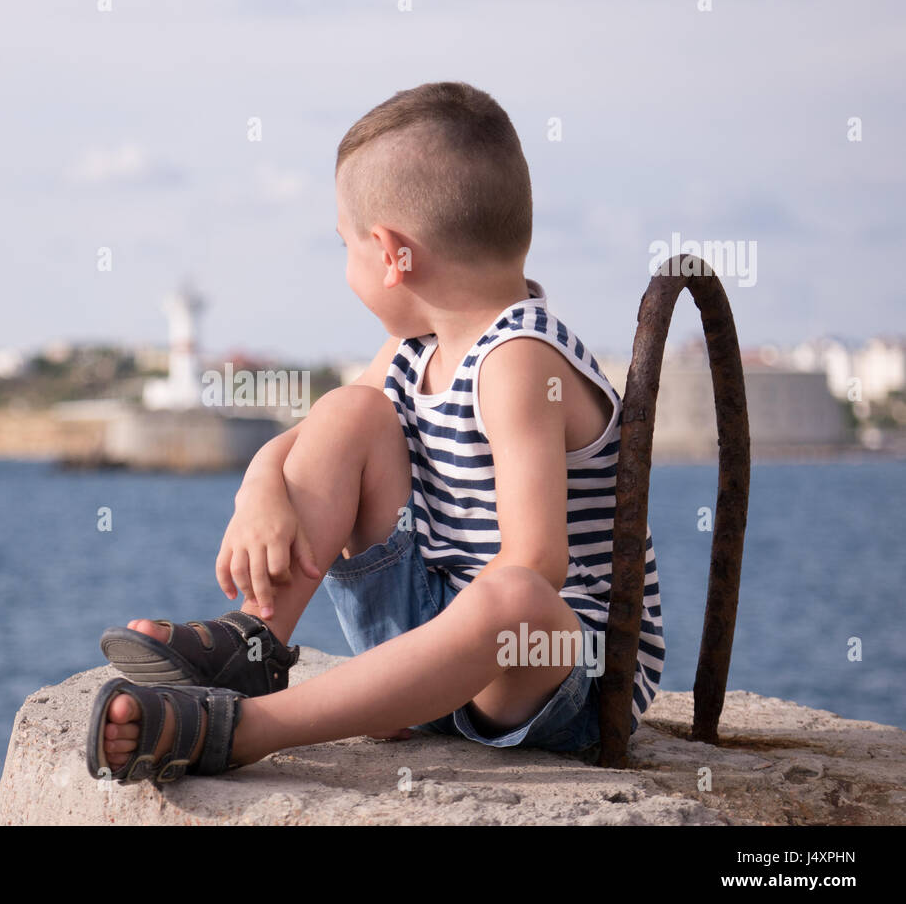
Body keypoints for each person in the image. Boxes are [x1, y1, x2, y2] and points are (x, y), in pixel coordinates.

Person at [87, 81, 664, 784]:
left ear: (393, 254)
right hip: (435, 639)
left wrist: (427, 668)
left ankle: (245, 732)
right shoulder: (416, 344)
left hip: (551, 678)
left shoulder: (518, 361)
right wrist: (261, 483)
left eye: (345, 245)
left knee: (511, 597)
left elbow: (537, 564)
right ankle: (257, 642)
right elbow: (313, 437)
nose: (346, 267)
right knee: (346, 411)